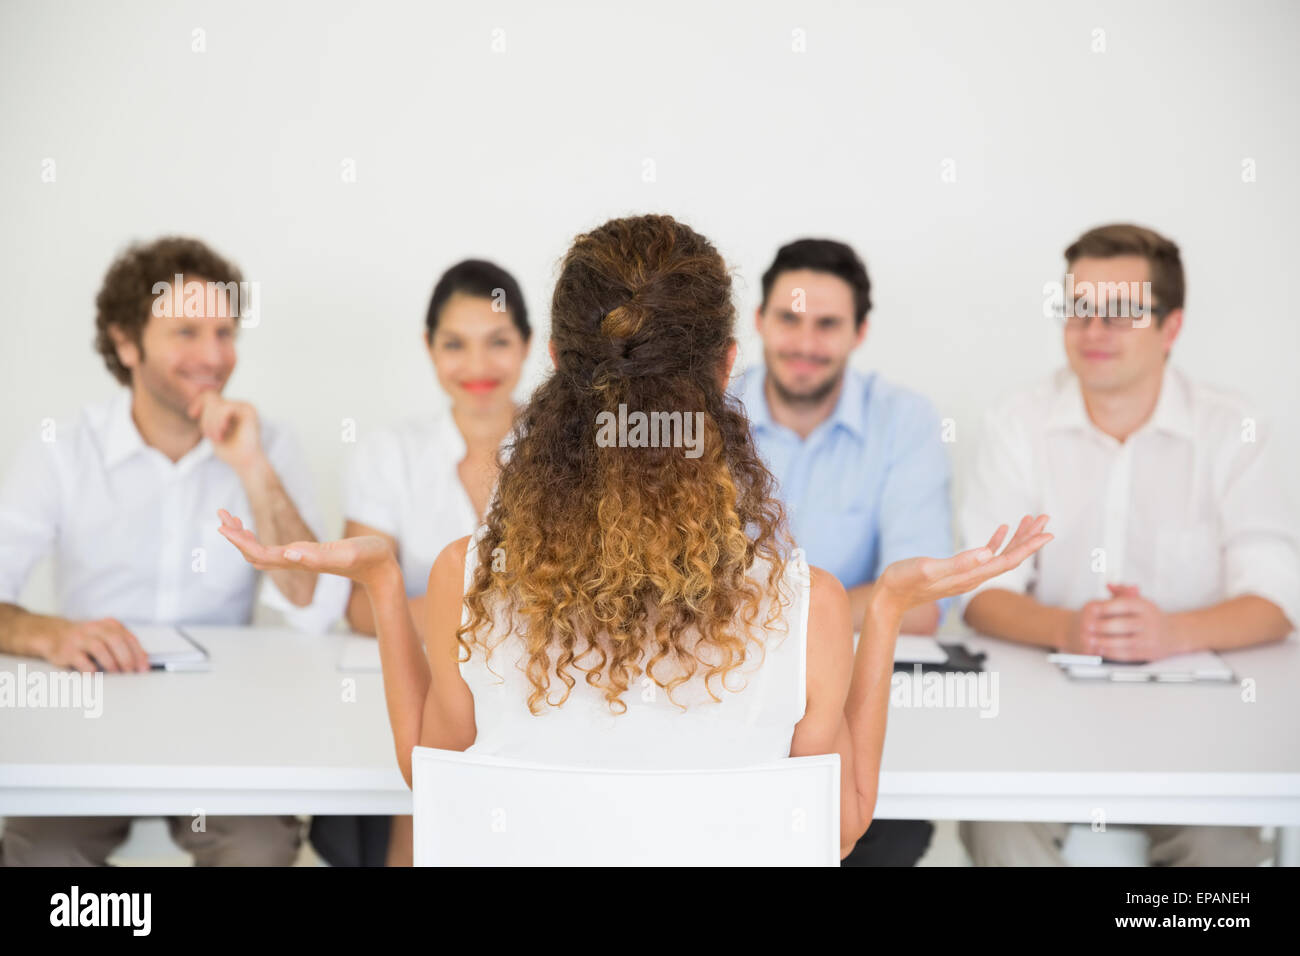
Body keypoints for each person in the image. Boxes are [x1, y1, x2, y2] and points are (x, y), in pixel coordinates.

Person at [216, 213, 1051, 863]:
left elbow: (434, 783)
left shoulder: (465, 579)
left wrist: (382, 589)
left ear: (557, 364)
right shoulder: (815, 605)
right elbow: (836, 828)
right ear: (728, 366)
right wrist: (894, 603)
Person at [958, 223, 1300, 866]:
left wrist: (1171, 633)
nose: (1093, 331)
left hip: (1202, 732)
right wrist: (1068, 627)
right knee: (997, 828)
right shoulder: (1017, 422)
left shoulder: (1233, 430)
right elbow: (980, 591)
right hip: (1045, 720)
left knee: (1220, 847)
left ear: (1171, 328)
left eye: (1120, 312)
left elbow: (1277, 596)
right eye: (1080, 309)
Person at [0, 237, 347, 866]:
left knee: (259, 847)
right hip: (87, 719)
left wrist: (250, 466)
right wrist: (45, 633)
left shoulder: (266, 444)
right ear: (127, 343)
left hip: (220, 727)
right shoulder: (62, 451)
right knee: (40, 855)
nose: (214, 356)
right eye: (186, 331)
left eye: (225, 331)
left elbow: (314, 602)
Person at [731, 238, 952, 866]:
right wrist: (857, 604)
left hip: (860, 697)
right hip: (732, 697)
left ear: (860, 332)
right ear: (759, 322)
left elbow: (920, 604)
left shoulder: (904, 422)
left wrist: (765, 613)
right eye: (789, 320)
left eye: (827, 324)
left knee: (885, 830)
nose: (805, 342)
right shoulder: (709, 418)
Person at [313, 259, 530, 867]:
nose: (478, 366)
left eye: (498, 343)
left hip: (531, 688)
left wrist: (435, 612)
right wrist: (480, 615)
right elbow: (359, 606)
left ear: (528, 347)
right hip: (424, 682)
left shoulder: (561, 455)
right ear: (429, 348)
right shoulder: (391, 453)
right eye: (455, 344)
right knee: (424, 796)